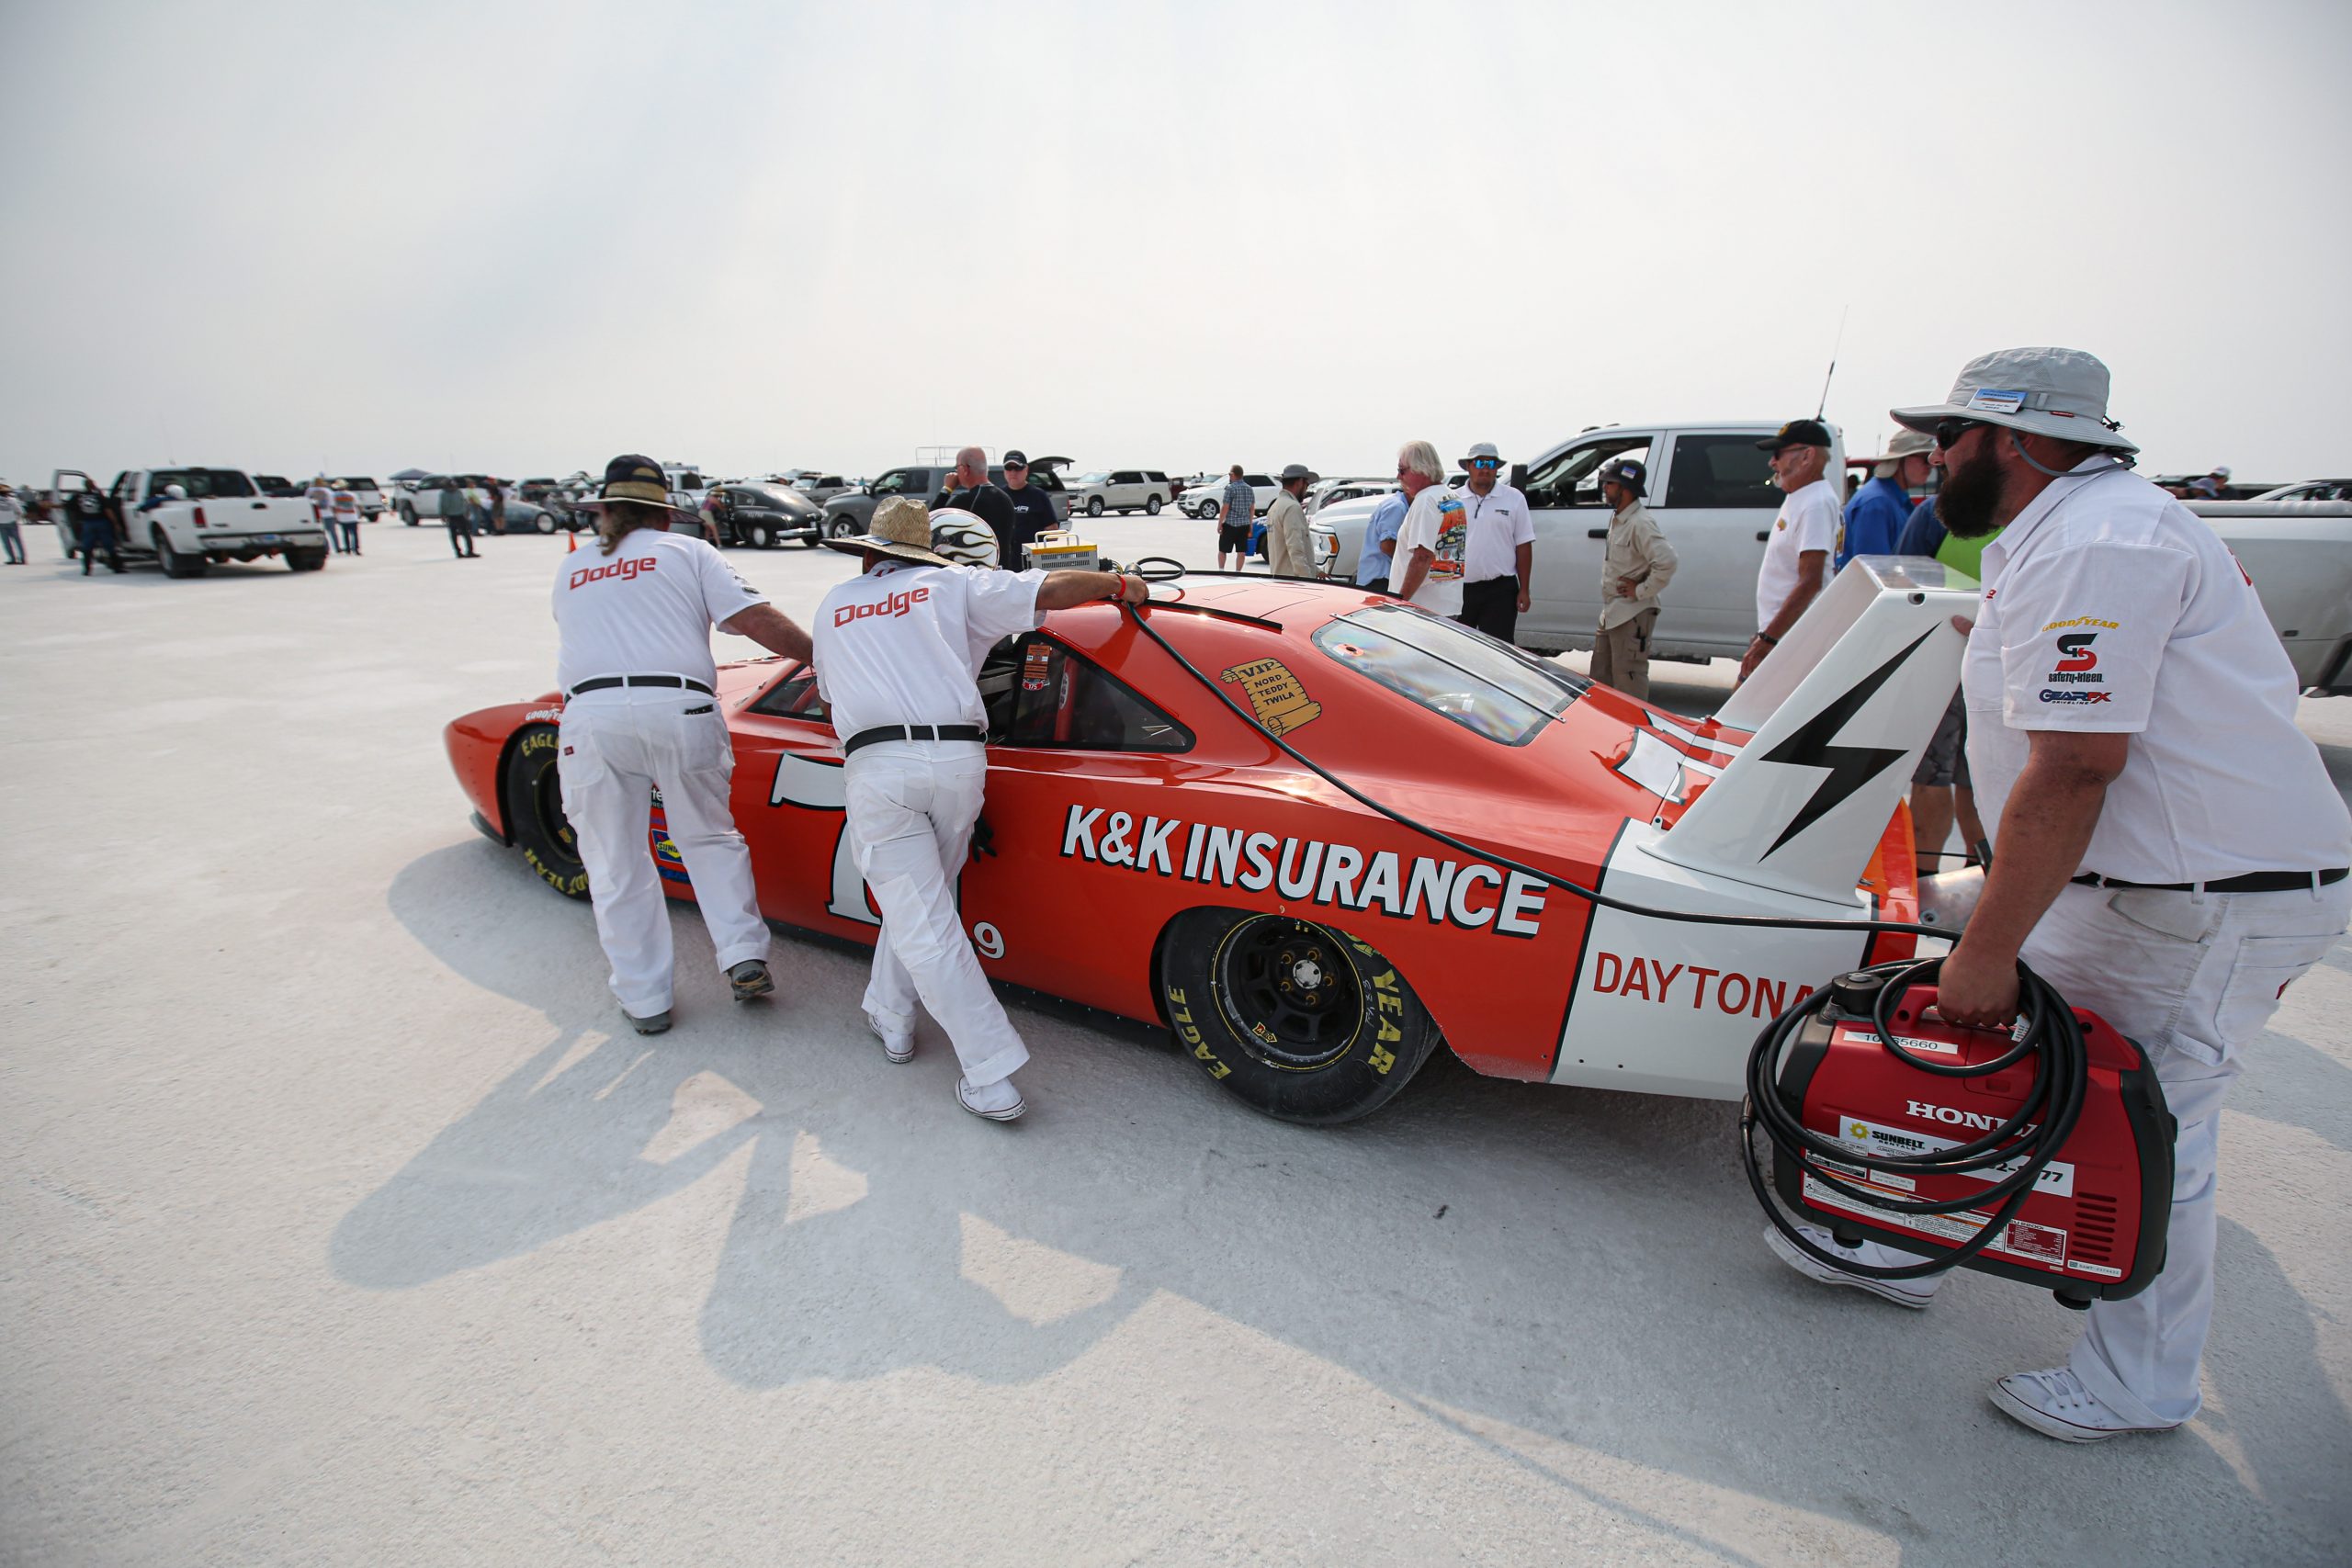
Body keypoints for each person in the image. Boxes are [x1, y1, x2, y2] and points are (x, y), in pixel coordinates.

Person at [1765, 347, 2352, 1444]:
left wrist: (1988, 947)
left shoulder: (2098, 541)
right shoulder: (2080, 529)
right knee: (2023, 1074)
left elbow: (2078, 763)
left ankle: (2142, 1383)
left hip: (2196, 901)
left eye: (1951, 437)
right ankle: (1912, 1247)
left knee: (2150, 1132)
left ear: (2013, 442)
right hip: (2145, 886)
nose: (1933, 458)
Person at [813, 497, 1148, 1121]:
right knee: (924, 902)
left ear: (868, 551)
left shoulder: (834, 603)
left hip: (879, 766)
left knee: (922, 917)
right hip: (960, 762)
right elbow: (1055, 587)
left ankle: (988, 1072)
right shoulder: (955, 583)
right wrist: (1121, 583)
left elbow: (831, 698)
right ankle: (890, 1013)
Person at [553, 455, 814, 1034]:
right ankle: (742, 954)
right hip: (680, 707)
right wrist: (825, 659)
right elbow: (755, 620)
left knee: (616, 861)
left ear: (606, 513)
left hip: (591, 716)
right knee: (707, 836)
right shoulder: (687, 553)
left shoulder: (572, 567)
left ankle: (646, 1001)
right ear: (662, 516)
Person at [1895, 491, 1989, 877]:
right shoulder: (1938, 513)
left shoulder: (1938, 511)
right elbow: (1905, 585)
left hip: (1969, 668)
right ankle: (1950, 888)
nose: (1937, 456)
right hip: (1968, 665)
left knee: (1958, 780)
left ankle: (1943, 889)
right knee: (1963, 780)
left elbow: (1904, 591)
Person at [1739, 417, 1842, 682]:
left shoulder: (1815, 503)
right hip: (1784, 635)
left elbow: (1810, 582)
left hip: (1793, 639)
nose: (1772, 463)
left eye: (1778, 454)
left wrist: (1769, 638)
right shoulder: (1802, 495)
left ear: (1807, 455)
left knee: (1745, 714)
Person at [1590, 457, 1677, 699]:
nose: (1605, 488)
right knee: (1602, 678)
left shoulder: (1641, 522)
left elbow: (1667, 561)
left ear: (1625, 490)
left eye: (1610, 483)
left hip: (1632, 614)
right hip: (1613, 613)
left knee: (1629, 680)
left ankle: (1636, 733)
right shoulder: (1620, 518)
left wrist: (1640, 590)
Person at [1454, 442, 1533, 639]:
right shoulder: (1453, 499)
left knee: (1500, 650)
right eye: (1480, 463)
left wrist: (1524, 589)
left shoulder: (1514, 498)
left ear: (1497, 468)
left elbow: (1523, 545)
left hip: (1500, 589)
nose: (1485, 469)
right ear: (1469, 466)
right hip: (1459, 588)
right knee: (1457, 648)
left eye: (1491, 464)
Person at [1390, 440, 1466, 616]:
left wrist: (1400, 601)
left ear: (1421, 469)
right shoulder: (1451, 497)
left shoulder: (1426, 501)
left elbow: (1422, 557)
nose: (1398, 477)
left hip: (1422, 609)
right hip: (1446, 604)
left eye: (1402, 470)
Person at [1838, 429, 1932, 570]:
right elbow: (1875, 571)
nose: (1930, 465)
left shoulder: (1890, 499)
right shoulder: (1875, 504)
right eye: (1926, 458)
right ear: (1901, 460)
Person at [933, 446, 1020, 567]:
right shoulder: (1005, 498)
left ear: (965, 469)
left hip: (979, 574)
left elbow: (929, 522)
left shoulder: (968, 500)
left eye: (957, 467)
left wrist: (946, 490)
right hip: (1002, 570)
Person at [999, 450, 1060, 558]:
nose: (1013, 472)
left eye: (1017, 468)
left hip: (1032, 561)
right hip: (1005, 561)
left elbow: (1053, 531)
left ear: (1026, 469)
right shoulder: (998, 496)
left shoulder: (1038, 495)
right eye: (1009, 468)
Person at [1262, 464, 1315, 578]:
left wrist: (1316, 570)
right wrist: (1309, 580)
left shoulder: (1275, 506)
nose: (1306, 489)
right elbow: (1296, 550)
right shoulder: (1292, 507)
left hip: (1279, 578)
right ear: (1300, 482)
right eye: (1307, 484)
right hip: (1295, 582)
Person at [1356, 487, 1406, 593]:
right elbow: (1387, 546)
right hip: (1381, 579)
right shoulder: (1398, 507)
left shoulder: (1395, 503)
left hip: (1375, 577)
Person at [71, 486, 122, 575]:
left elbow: (68, 506)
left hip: (87, 524)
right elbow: (108, 510)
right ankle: (116, 567)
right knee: (109, 545)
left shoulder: (78, 496)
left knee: (87, 547)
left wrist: (52, 505)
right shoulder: (99, 496)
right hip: (102, 523)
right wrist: (115, 523)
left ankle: (87, 570)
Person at [1216, 465, 1254, 571]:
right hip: (1244, 525)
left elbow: (1225, 507)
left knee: (1223, 550)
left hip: (1230, 524)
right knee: (1241, 551)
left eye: (1229, 474)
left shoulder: (1230, 488)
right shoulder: (1249, 488)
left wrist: (1220, 523)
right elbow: (1252, 508)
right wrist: (1250, 524)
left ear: (1233, 475)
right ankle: (1238, 572)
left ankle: (1221, 570)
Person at [439, 475, 478, 558]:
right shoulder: (458, 492)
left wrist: (442, 515)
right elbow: (464, 503)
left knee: (454, 535)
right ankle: (470, 551)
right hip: (460, 515)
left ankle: (458, 552)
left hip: (451, 516)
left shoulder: (444, 494)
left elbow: (443, 505)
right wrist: (466, 513)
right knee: (466, 534)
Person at [331, 481, 362, 555]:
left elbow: (333, 507)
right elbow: (358, 505)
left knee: (345, 534)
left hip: (342, 517)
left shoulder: (334, 495)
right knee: (354, 534)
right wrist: (360, 514)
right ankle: (356, 549)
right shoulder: (352, 494)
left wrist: (335, 516)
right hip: (352, 516)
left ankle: (348, 549)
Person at [306, 478, 337, 550]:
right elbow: (332, 503)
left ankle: (325, 547)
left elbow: (307, 501)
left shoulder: (309, 491)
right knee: (332, 532)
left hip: (316, 515)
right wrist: (335, 513)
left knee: (322, 533)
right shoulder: (328, 491)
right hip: (328, 513)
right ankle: (337, 547)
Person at [0, 481, 25, 565]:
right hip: (12, 522)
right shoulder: (13, 500)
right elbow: (20, 511)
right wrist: (17, 519)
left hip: (1, 523)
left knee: (6, 543)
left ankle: (12, 559)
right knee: (18, 541)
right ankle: (23, 559)